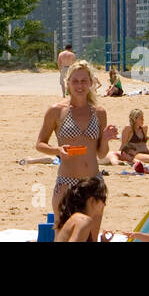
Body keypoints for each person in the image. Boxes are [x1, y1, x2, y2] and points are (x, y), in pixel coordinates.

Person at [36, 60, 119, 238]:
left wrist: (105, 139)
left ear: (91, 83)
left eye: (83, 81)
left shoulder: (99, 112)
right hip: (67, 182)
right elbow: (40, 144)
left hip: (93, 183)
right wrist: (57, 150)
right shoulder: (56, 111)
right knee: (62, 235)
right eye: (75, 81)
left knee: (91, 237)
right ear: (67, 83)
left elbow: (101, 153)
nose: (79, 85)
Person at [54, 177, 107, 242]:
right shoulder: (84, 221)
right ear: (92, 200)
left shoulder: (75, 219)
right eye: (103, 199)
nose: (105, 204)